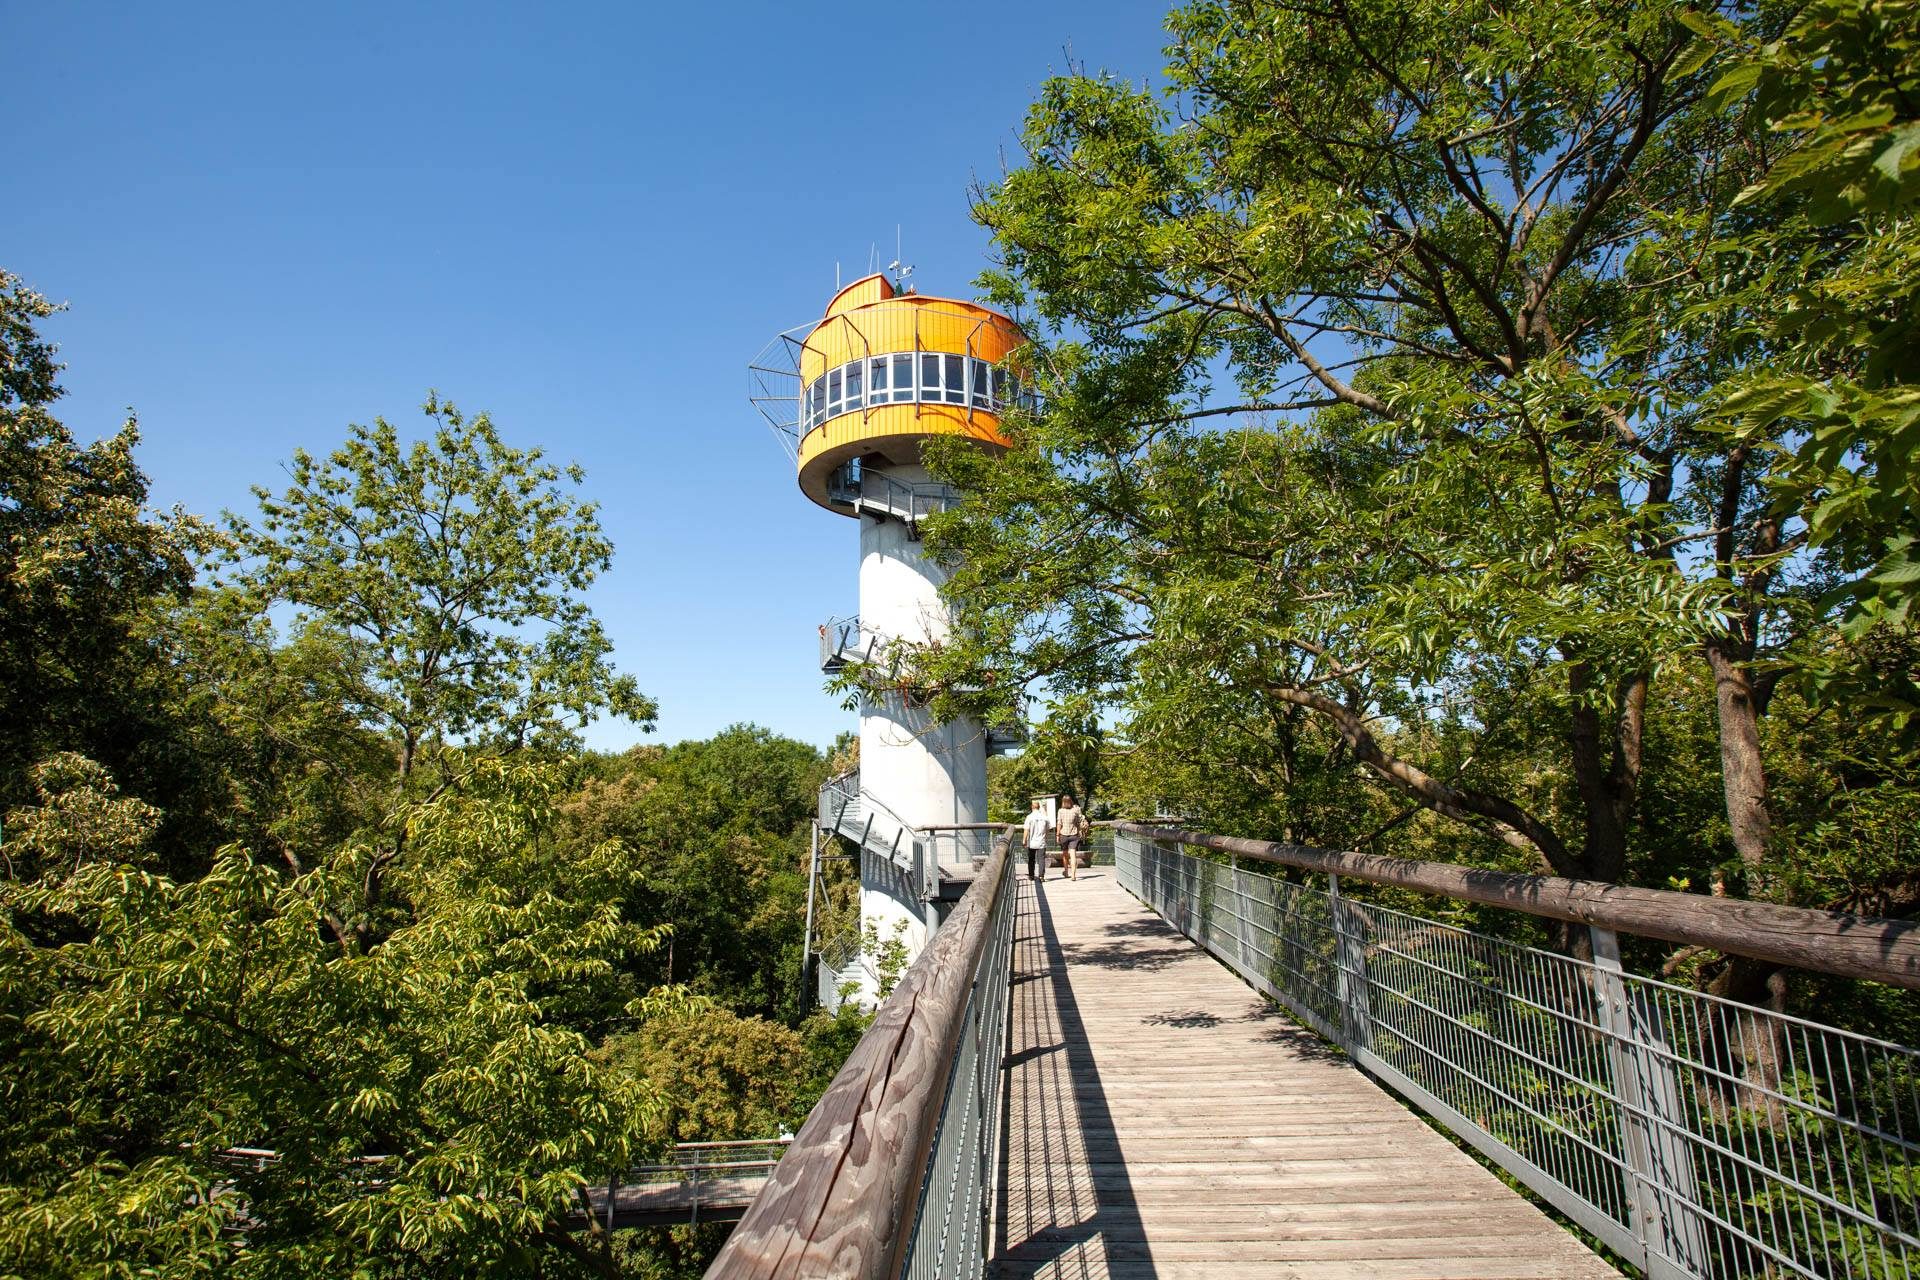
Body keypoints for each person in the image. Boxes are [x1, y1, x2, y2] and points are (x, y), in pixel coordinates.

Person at [1056, 793, 1088, 880]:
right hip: (1074, 835)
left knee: (1065, 854)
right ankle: (1073, 875)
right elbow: (1079, 822)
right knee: (1073, 855)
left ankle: (1066, 871)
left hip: (1063, 835)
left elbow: (1059, 823)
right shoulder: (1075, 810)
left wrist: (1057, 835)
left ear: (1063, 802)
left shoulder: (1060, 811)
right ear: (1071, 801)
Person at [1023, 798, 1052, 882]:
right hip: (1041, 841)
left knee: (1031, 859)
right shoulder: (1045, 817)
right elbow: (1048, 829)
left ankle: (1031, 875)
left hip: (1031, 842)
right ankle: (1041, 876)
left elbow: (1026, 829)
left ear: (1032, 807)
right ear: (1039, 807)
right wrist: (1046, 837)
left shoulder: (1029, 817)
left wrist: (1024, 840)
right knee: (1041, 859)